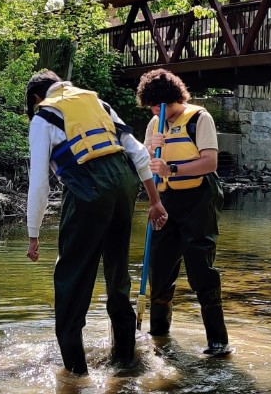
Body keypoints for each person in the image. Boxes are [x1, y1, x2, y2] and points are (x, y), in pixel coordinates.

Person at [25, 69, 169, 376]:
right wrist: (155, 202)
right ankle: (126, 362)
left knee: (72, 282)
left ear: (37, 98)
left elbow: (39, 183)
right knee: (117, 277)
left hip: (88, 192)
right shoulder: (98, 104)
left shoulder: (44, 117)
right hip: (125, 187)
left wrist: (33, 233)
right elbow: (139, 154)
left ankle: (76, 376)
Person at [137, 68, 232, 356]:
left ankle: (218, 340)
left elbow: (210, 163)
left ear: (170, 99)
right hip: (165, 201)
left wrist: (172, 168)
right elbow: (145, 165)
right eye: (151, 107)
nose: (154, 111)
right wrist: (149, 151)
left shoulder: (199, 118)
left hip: (198, 199)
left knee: (200, 268)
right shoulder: (155, 124)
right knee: (159, 270)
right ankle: (158, 336)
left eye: (156, 105)